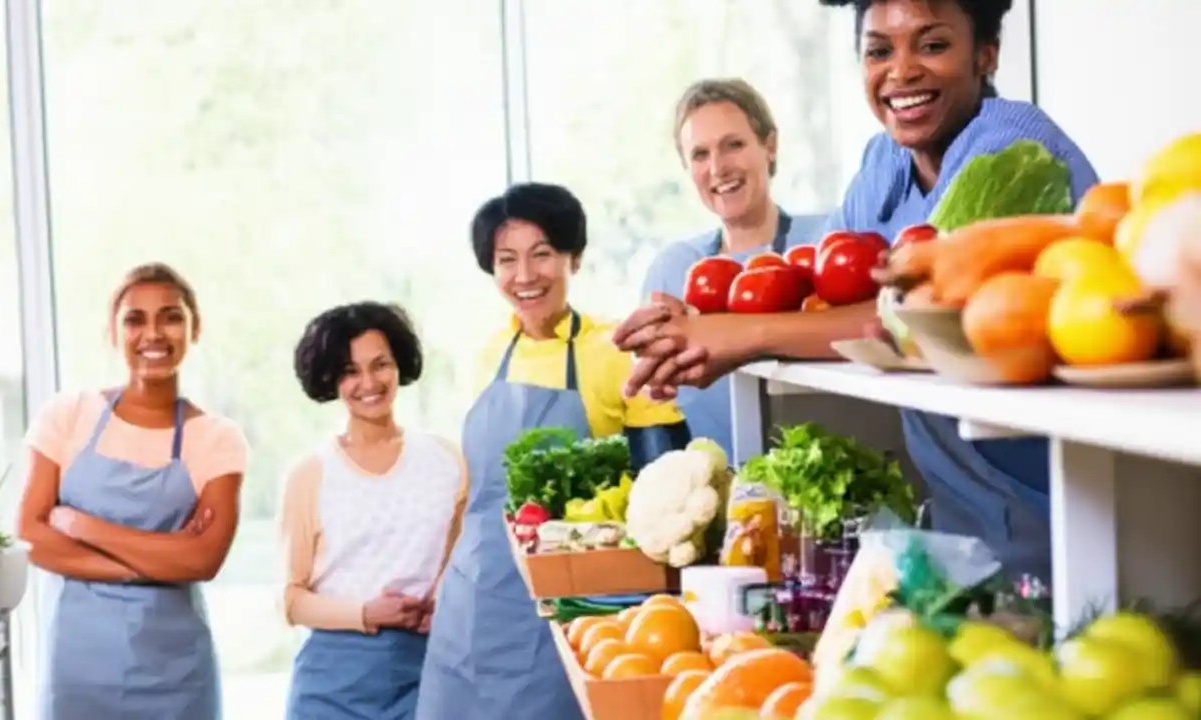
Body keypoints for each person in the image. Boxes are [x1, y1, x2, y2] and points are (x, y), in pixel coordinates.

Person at [613, 0, 1099, 582]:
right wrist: (701, 315)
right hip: (962, 517)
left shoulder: (1012, 146)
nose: (901, 71)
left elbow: (915, 319)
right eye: (878, 51)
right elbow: (821, 295)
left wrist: (739, 333)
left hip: (1068, 512)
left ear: (986, 53)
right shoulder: (886, 160)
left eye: (933, 44)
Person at [415, 182, 691, 720]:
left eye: (542, 254)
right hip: (475, 598)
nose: (525, 276)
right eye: (506, 260)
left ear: (575, 258)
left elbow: (663, 486)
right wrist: (441, 577)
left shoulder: (617, 350)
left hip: (576, 606)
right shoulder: (489, 354)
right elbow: (474, 490)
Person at [18, 262, 249, 719]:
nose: (153, 333)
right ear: (113, 331)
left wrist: (83, 526)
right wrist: (160, 560)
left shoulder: (217, 438)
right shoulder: (68, 415)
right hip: (79, 670)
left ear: (194, 327)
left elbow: (203, 560)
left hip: (177, 674)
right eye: (134, 319)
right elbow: (31, 536)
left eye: (170, 316)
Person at [281, 301, 466, 720]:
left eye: (380, 364)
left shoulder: (448, 461)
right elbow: (291, 599)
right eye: (350, 371)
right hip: (332, 683)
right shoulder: (310, 475)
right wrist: (365, 613)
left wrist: (440, 601)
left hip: (427, 671)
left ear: (399, 364)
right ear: (331, 380)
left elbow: (459, 560)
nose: (368, 382)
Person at [642, 78, 827, 462]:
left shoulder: (823, 244)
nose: (718, 168)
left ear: (770, 146)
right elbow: (657, 403)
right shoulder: (674, 269)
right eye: (699, 154)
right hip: (722, 492)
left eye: (734, 145)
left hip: (820, 475)